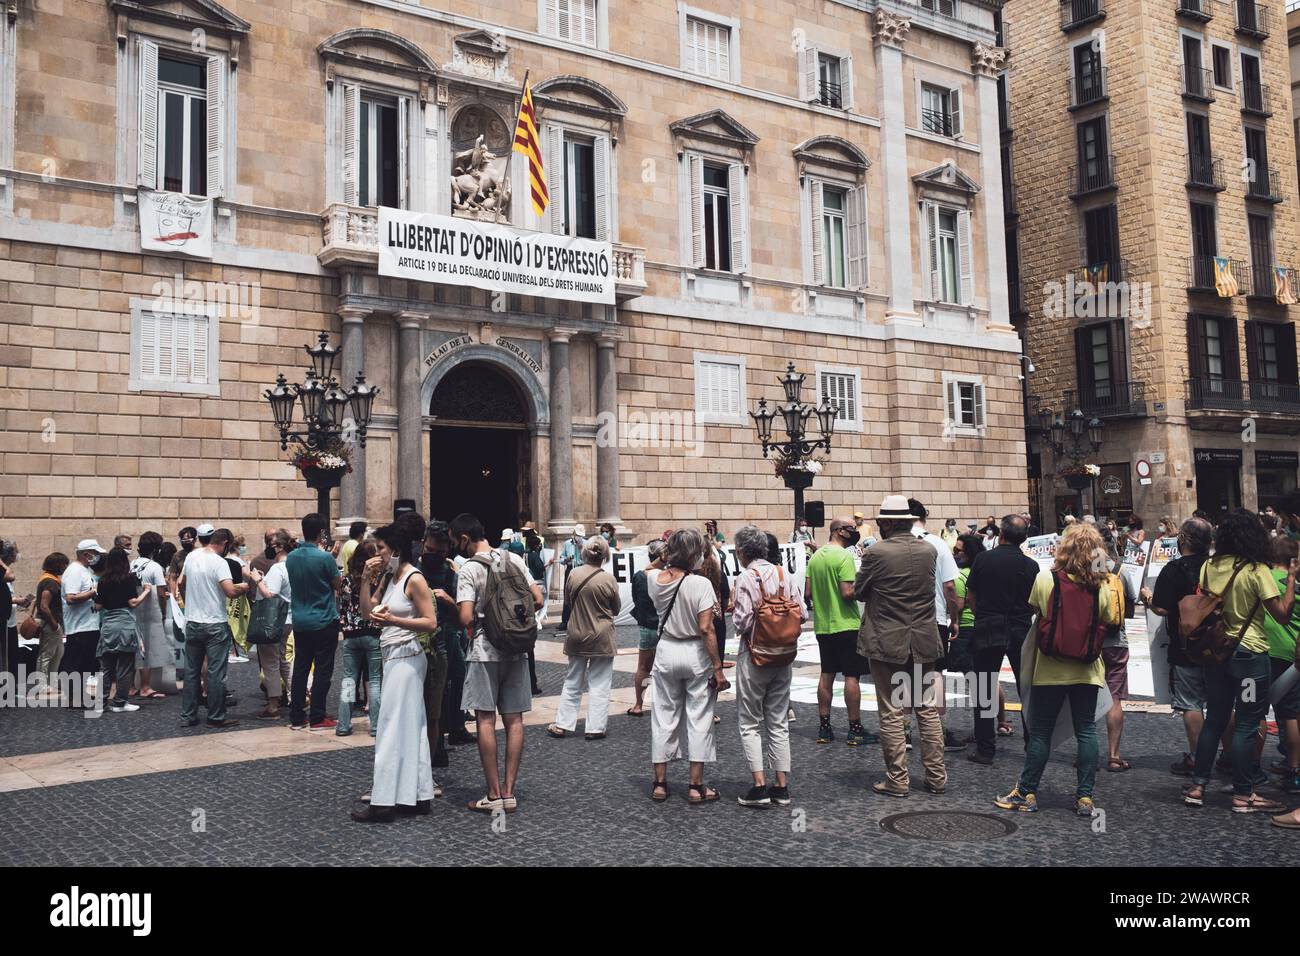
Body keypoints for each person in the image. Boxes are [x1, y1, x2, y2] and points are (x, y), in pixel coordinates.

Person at [994, 522, 1117, 817]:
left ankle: (1027, 792)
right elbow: (1109, 618)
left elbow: (1037, 611)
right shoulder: (1102, 584)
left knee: (1041, 732)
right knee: (1086, 730)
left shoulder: (1046, 579)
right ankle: (1085, 797)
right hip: (1087, 669)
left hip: (1049, 668)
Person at [1183, 509, 1296, 814]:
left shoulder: (1209, 565)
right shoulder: (1256, 570)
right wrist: (1290, 582)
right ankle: (1243, 795)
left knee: (1215, 718)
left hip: (1216, 654)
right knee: (1247, 723)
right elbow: (1282, 614)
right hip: (1248, 657)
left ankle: (1198, 786)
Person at [855, 495, 947, 798]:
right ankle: (936, 777)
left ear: (888, 523)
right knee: (926, 709)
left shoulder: (877, 553)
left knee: (892, 711)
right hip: (922, 637)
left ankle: (897, 780)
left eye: (881, 521)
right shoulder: (929, 550)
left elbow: (859, 591)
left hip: (887, 640)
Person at [453, 512, 544, 814]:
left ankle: (493, 794)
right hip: (516, 649)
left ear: (465, 539)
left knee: (486, 720)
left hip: (485, 650)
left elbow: (465, 617)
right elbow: (539, 599)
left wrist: (448, 604)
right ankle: (510, 791)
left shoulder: (469, 568)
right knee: (514, 720)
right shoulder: (513, 560)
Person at [352, 523, 439, 822]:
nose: (377, 554)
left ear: (396, 550)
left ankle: (383, 802)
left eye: (381, 549)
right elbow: (367, 613)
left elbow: (430, 622)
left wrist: (395, 622)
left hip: (407, 656)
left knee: (389, 726)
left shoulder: (414, 579)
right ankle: (418, 794)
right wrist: (365, 579)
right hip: (393, 656)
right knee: (411, 726)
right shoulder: (389, 577)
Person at [646, 528, 729, 804]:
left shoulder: (653, 579)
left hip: (667, 650)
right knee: (700, 718)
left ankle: (660, 784)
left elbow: (650, 566)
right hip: (695, 653)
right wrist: (718, 668)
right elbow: (706, 629)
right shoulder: (701, 584)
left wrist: (664, 557)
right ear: (694, 554)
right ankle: (695, 786)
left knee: (663, 718)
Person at [731, 524, 806, 808]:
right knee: (778, 722)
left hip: (755, 656)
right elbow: (803, 612)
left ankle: (759, 786)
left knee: (749, 722)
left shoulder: (746, 578)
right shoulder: (784, 574)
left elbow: (741, 622)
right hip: (784, 655)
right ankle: (782, 787)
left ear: (742, 552)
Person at [964, 515, 1040, 763]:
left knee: (984, 686)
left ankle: (985, 749)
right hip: (1020, 627)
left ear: (1001, 534)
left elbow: (971, 595)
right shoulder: (1031, 566)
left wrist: (982, 615)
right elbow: (1035, 602)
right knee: (1027, 688)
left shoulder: (983, 559)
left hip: (988, 624)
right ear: (1024, 538)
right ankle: (1032, 744)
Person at [1142, 516, 1213, 776]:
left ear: (1182, 540)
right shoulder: (1219, 566)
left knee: (1191, 704)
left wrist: (1148, 600)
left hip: (1187, 646)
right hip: (1221, 644)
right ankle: (1231, 756)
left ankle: (1197, 758)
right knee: (1224, 703)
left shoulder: (1174, 569)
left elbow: (1161, 607)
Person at [805, 516, 876, 746]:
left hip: (823, 625)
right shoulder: (844, 556)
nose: (854, 532)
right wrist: (864, 587)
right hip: (846, 624)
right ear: (839, 531)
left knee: (826, 674)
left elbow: (808, 591)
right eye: (851, 529)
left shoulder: (815, 557)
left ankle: (824, 729)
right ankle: (855, 728)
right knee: (851, 676)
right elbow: (847, 593)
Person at [179, 528, 256, 728]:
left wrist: (190, 604)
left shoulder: (192, 556)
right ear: (224, 543)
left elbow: (181, 583)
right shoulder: (220, 563)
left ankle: (188, 716)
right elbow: (230, 592)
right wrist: (246, 586)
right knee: (216, 673)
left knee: (191, 671)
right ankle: (215, 716)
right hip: (215, 623)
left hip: (193, 622)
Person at [548, 535, 620, 740]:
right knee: (600, 683)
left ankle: (562, 724)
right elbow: (615, 609)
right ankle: (595, 728)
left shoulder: (574, 574)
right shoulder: (608, 579)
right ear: (605, 556)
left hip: (577, 633)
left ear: (585, 553)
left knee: (573, 680)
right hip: (602, 636)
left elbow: (569, 602)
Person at [908, 499, 963, 753]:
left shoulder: (891, 544)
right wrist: (954, 618)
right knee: (935, 673)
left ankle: (904, 731)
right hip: (935, 617)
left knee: (904, 673)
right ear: (924, 517)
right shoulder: (938, 543)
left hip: (902, 620)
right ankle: (937, 728)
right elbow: (950, 587)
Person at [286, 513, 343, 732]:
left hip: (300, 620)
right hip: (324, 619)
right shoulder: (325, 558)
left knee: (301, 668)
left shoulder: (292, 557)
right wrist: (332, 557)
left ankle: (297, 716)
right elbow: (337, 584)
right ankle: (317, 716)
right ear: (321, 533)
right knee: (322, 670)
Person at [425, 521, 473, 748]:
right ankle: (439, 735)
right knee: (437, 688)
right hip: (426, 637)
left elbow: (461, 614)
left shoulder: (451, 573)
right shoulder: (416, 570)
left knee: (459, 677)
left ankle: (456, 725)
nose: (433, 555)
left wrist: (449, 601)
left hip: (449, 633)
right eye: (430, 551)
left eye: (440, 552)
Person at [1261, 536, 1300, 795]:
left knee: (1254, 711)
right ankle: (1294, 768)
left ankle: (1249, 767)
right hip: (1293, 656)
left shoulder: (1263, 580)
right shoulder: (1296, 584)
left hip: (1263, 651)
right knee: (1291, 714)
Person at [1099, 529, 1139, 773]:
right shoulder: (1120, 570)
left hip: (1089, 643)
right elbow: (1132, 605)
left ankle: (1087, 751)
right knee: (1113, 698)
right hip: (1115, 641)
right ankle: (1114, 755)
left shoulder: (1086, 569)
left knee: (1087, 698)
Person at [94, 548, 150, 713]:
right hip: (125, 623)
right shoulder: (128, 578)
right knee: (125, 666)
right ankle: (120, 702)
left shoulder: (102, 580)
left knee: (106, 667)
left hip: (108, 625)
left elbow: (98, 606)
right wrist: (146, 591)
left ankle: (100, 703)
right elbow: (132, 603)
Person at [253, 530, 296, 721]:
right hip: (289, 619)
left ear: (279, 547)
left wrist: (257, 580)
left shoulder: (278, 569)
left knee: (270, 662)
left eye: (271, 544)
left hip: (274, 620)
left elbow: (270, 594)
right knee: (284, 659)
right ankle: (297, 697)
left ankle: (273, 705)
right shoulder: (294, 566)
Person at [61, 539, 106, 707]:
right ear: (86, 554)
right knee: (75, 662)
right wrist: (93, 592)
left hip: (89, 624)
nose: (97, 557)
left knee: (86, 663)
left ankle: (80, 694)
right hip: (79, 627)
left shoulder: (84, 570)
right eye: (95, 554)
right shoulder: (74, 571)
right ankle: (73, 697)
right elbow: (71, 598)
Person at [627, 539, 665, 717]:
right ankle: (665, 705)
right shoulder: (669, 576)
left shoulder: (639, 576)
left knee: (643, 667)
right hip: (665, 628)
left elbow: (636, 600)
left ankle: (638, 705)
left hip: (646, 627)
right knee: (665, 669)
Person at [129, 532, 170, 700]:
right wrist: (164, 611)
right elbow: (161, 592)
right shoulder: (154, 567)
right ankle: (145, 686)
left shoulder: (132, 564)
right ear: (156, 549)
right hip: (150, 611)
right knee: (148, 649)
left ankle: (131, 686)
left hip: (133, 610)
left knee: (134, 649)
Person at [32, 553, 69, 697]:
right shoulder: (50, 582)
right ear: (58, 564)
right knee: (46, 654)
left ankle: (51, 683)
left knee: (58, 653)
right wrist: (54, 624)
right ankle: (42, 685)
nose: (65, 567)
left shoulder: (49, 579)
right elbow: (44, 606)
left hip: (54, 623)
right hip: (50, 623)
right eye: (64, 564)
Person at [549, 523, 586, 634]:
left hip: (581, 568)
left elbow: (588, 558)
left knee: (582, 594)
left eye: (580, 535)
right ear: (573, 534)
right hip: (570, 569)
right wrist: (566, 559)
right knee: (567, 594)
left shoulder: (586, 543)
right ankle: (565, 621)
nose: (579, 537)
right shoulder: (567, 544)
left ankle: (581, 621)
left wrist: (581, 549)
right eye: (577, 535)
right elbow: (561, 558)